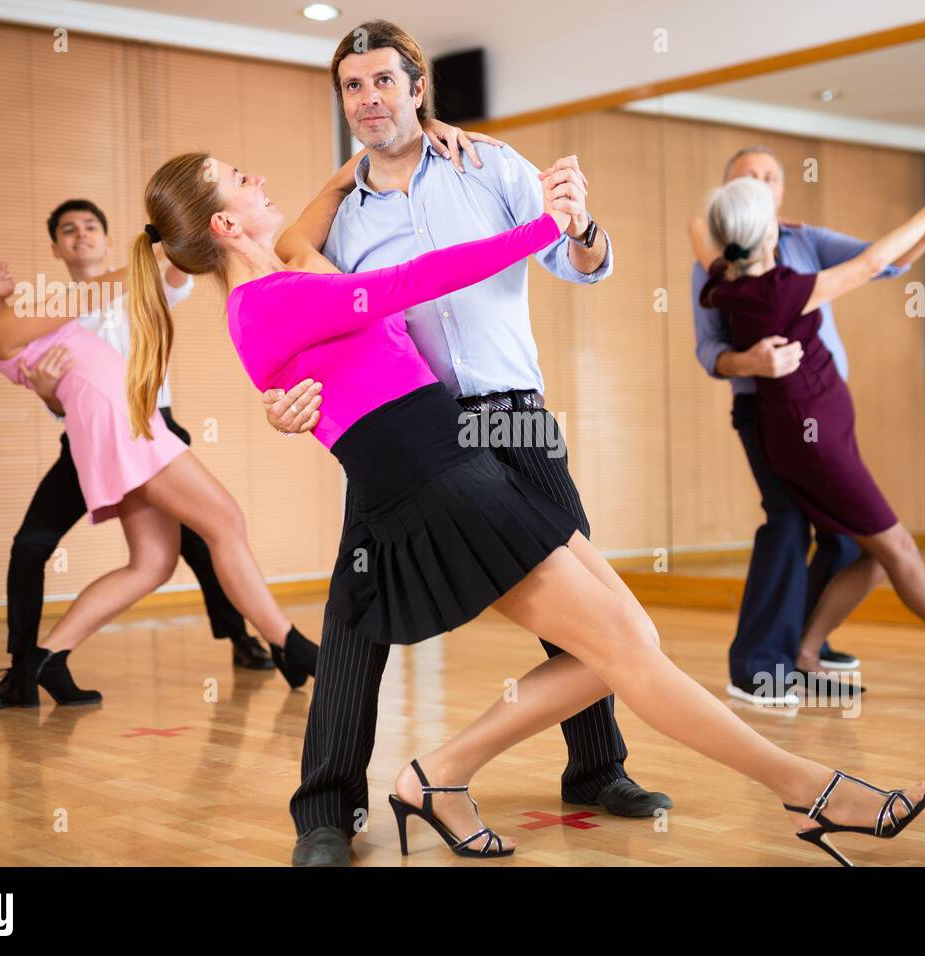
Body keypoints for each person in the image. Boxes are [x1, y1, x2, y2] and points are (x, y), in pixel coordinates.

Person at [127, 147, 925, 869]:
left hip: (464, 456)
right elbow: (414, 281)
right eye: (240, 178)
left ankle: (436, 775)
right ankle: (810, 791)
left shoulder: (283, 280)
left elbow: (303, 236)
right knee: (624, 651)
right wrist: (544, 227)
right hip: (434, 484)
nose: (260, 177)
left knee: (629, 641)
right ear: (226, 222)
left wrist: (348, 172)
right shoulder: (272, 303)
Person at [264, 20, 668, 866]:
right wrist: (286, 401)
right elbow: (306, 320)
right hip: (406, 433)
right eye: (352, 86)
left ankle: (597, 768)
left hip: (511, 413)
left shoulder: (492, 165)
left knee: (575, 593)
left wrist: (585, 225)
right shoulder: (338, 219)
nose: (368, 99)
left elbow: (581, 262)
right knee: (354, 614)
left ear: (417, 87)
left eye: (383, 81)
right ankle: (326, 812)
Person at [693, 175, 925, 703]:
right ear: (767, 234)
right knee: (897, 549)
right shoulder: (778, 289)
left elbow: (887, 261)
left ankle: (805, 652)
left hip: (813, 432)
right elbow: (871, 264)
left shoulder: (725, 284)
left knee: (865, 554)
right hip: (814, 440)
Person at [0, 234, 319, 705]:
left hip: (123, 420)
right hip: (120, 426)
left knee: (152, 563)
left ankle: (45, 659)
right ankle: (290, 645)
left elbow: (61, 376)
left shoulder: (7, 324)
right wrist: (150, 253)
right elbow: (85, 296)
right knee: (225, 521)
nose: (4, 263)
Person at [690, 146, 925, 706]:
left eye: (771, 176)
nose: (763, 184)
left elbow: (888, 262)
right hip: (767, 412)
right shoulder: (717, 267)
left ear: (783, 192)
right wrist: (752, 363)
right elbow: (710, 350)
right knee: (788, 523)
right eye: (749, 178)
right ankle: (761, 665)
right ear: (730, 197)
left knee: (843, 542)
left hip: (825, 412)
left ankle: (798, 646)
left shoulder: (804, 243)